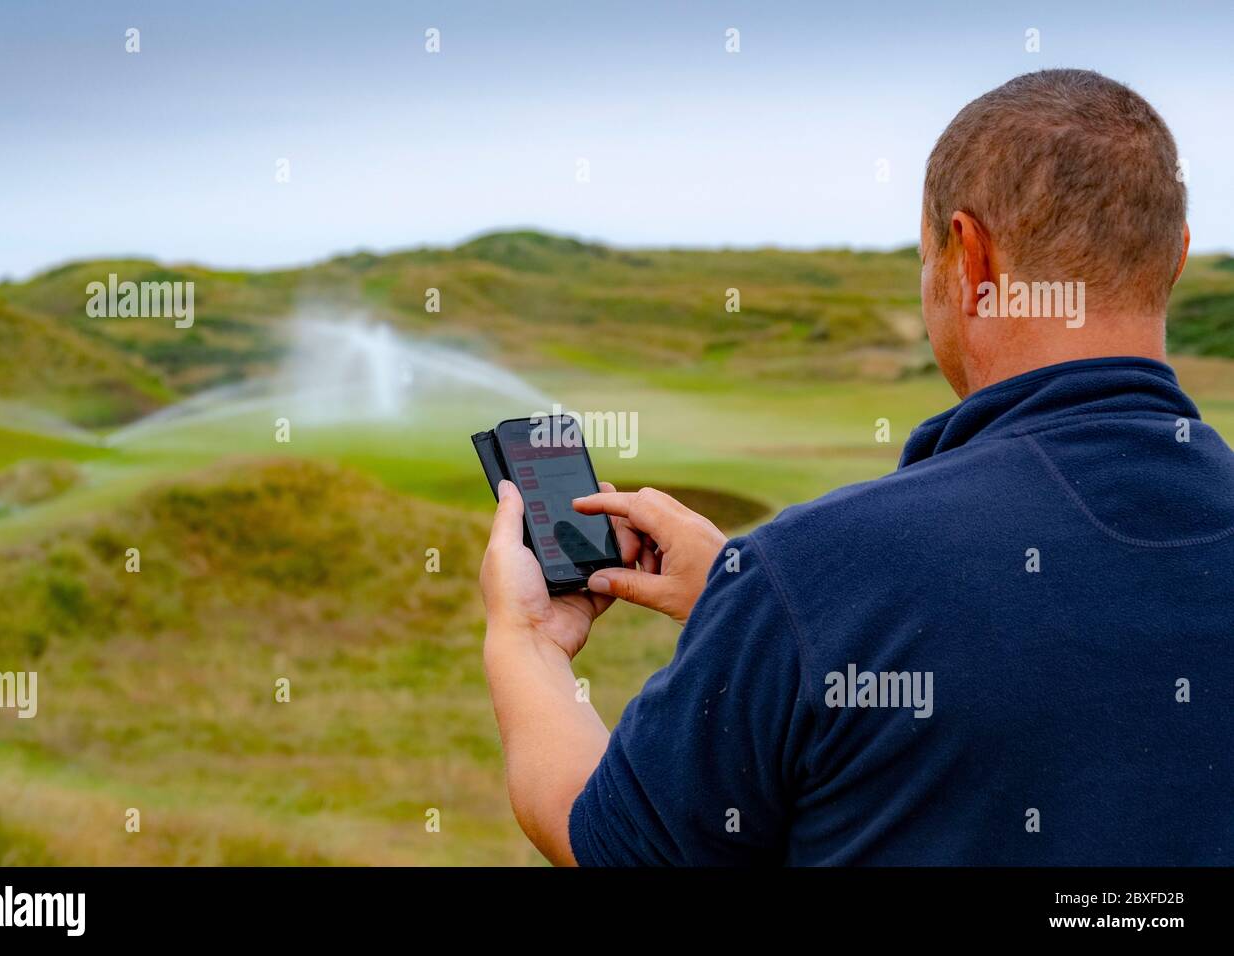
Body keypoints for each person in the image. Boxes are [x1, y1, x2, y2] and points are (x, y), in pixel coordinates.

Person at [479, 69, 1234, 865]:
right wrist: (753, 607)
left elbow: (607, 845)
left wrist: (526, 640)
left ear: (971, 262)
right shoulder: (808, 589)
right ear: (1177, 260)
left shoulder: (817, 574)